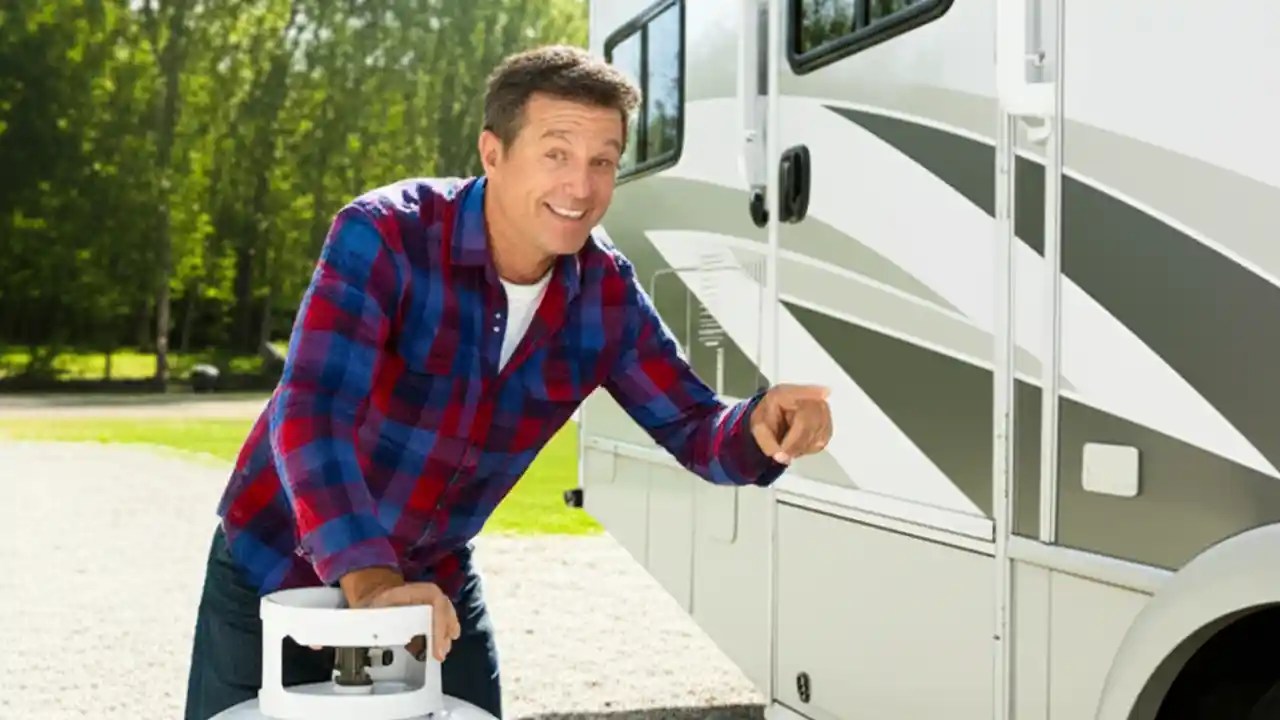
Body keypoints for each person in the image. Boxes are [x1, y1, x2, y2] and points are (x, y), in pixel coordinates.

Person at [182, 44, 833, 720]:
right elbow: (313, 410)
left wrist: (761, 428)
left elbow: (695, 429)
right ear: (493, 153)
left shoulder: (605, 294)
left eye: (602, 162)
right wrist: (371, 583)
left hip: (429, 581)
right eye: (556, 154)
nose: (581, 188)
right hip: (277, 566)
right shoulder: (384, 235)